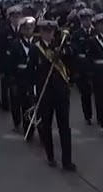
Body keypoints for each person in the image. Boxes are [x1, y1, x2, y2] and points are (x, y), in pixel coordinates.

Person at [29, 20, 77, 172]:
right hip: (45, 92)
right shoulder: (35, 49)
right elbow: (31, 70)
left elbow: (72, 57)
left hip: (61, 92)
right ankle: (50, 156)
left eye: (50, 31)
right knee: (46, 125)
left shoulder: (61, 45)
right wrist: (32, 91)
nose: (48, 34)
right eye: (45, 31)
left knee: (65, 127)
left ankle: (67, 161)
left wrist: (63, 53)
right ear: (41, 32)